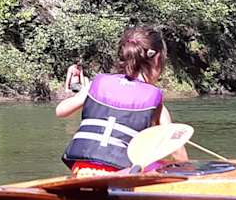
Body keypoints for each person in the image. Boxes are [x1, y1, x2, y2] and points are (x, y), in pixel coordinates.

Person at [56, 26, 184, 172]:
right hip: (120, 173)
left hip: (82, 169)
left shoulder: (96, 84)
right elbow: (177, 151)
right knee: (162, 165)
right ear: (158, 59)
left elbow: (61, 111)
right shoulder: (154, 100)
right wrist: (189, 173)